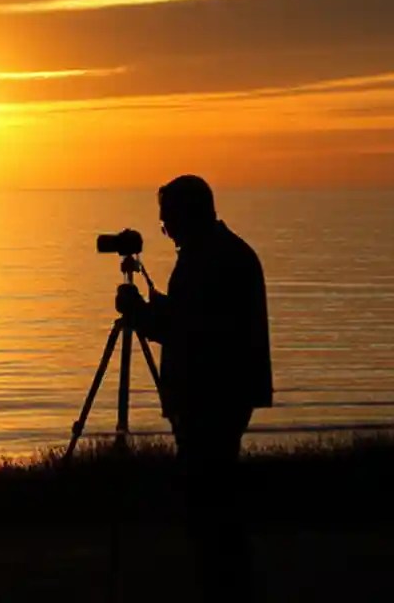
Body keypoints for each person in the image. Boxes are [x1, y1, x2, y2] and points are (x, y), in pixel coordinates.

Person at [115, 174, 273, 602]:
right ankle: (223, 576)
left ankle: (222, 580)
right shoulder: (222, 252)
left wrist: (141, 316)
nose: (165, 230)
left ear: (188, 214)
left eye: (167, 220)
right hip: (224, 390)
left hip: (211, 394)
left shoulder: (210, 260)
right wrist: (154, 310)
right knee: (213, 490)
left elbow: (192, 332)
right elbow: (195, 318)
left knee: (208, 494)